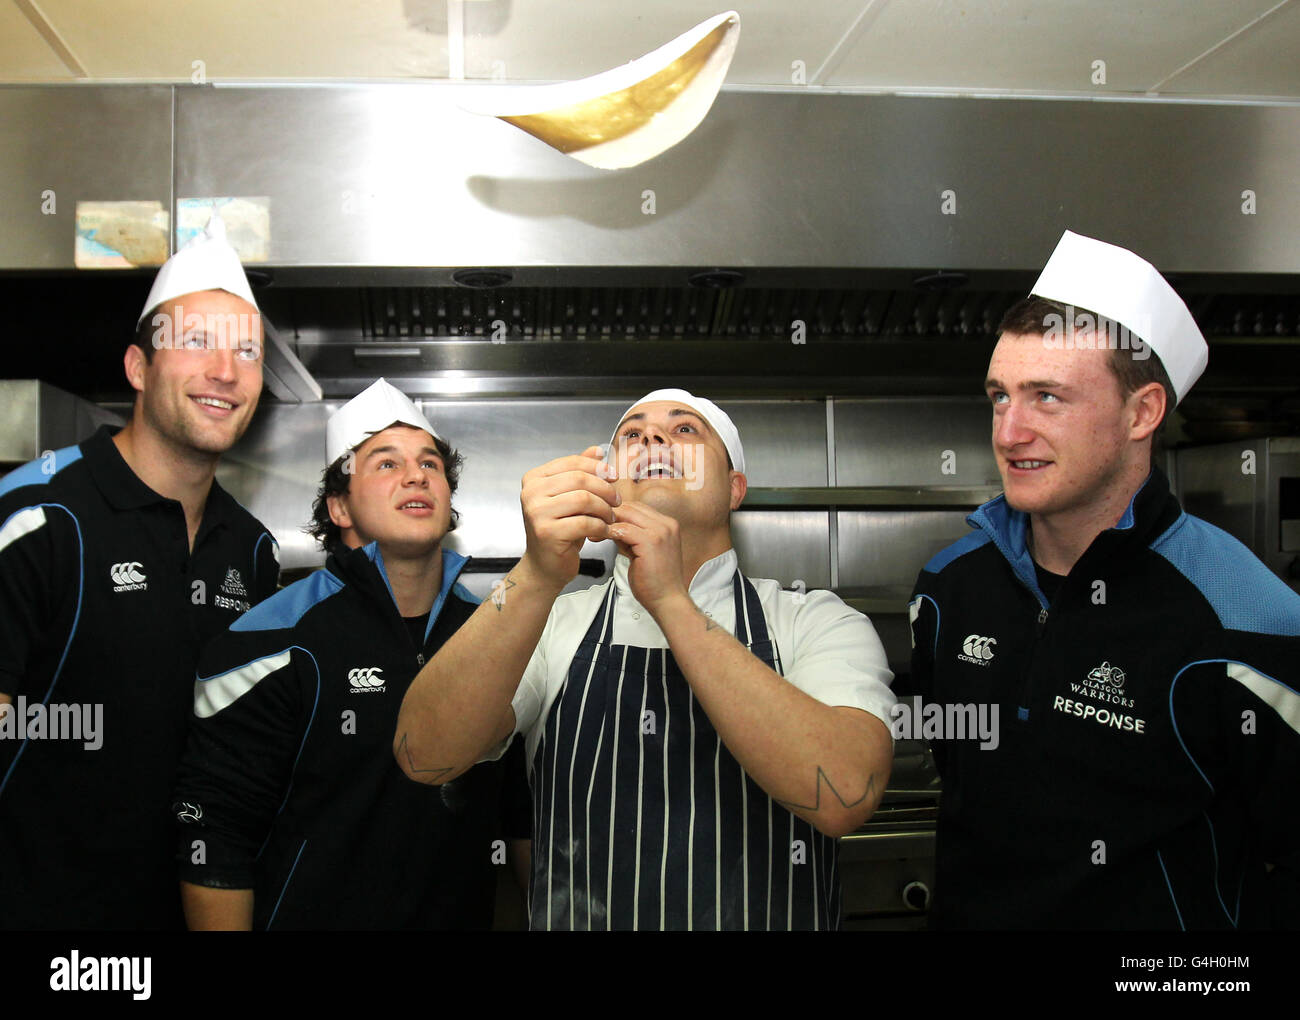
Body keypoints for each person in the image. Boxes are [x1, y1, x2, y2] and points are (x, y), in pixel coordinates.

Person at [909, 230, 1300, 929]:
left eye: (1047, 397)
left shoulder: (1248, 619)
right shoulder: (947, 586)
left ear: (1142, 412)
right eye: (1000, 396)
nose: (1009, 432)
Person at [395, 388, 896, 930]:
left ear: (734, 489)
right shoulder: (551, 621)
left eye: (685, 430)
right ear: (609, 481)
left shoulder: (814, 621)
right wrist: (537, 574)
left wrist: (672, 604)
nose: (651, 437)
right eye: (631, 434)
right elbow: (424, 754)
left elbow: (845, 793)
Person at [0, 212, 279, 929]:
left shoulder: (251, 551)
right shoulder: (38, 519)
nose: (226, 369)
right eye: (196, 342)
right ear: (137, 368)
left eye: (247, 352)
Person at [174, 379, 528, 930]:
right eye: (386, 464)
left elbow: (517, 814)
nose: (416, 475)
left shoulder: (494, 636)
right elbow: (215, 836)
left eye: (430, 465)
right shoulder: (266, 642)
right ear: (339, 506)